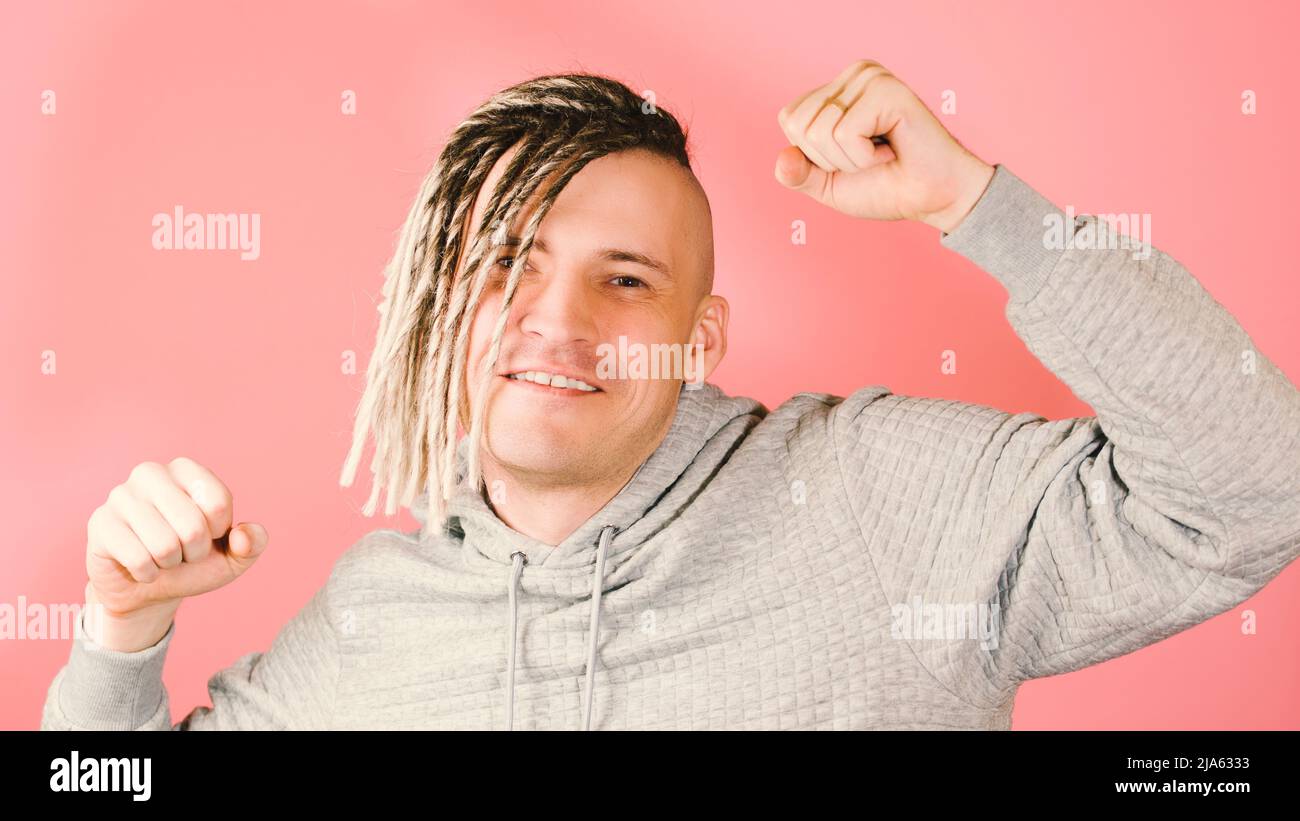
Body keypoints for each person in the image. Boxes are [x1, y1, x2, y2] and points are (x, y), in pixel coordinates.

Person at [41, 62, 1300, 730]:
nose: (557, 321)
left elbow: (1257, 486)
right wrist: (120, 631)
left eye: (625, 278)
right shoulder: (373, 622)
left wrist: (980, 208)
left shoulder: (877, 495)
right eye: (504, 265)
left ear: (700, 338)